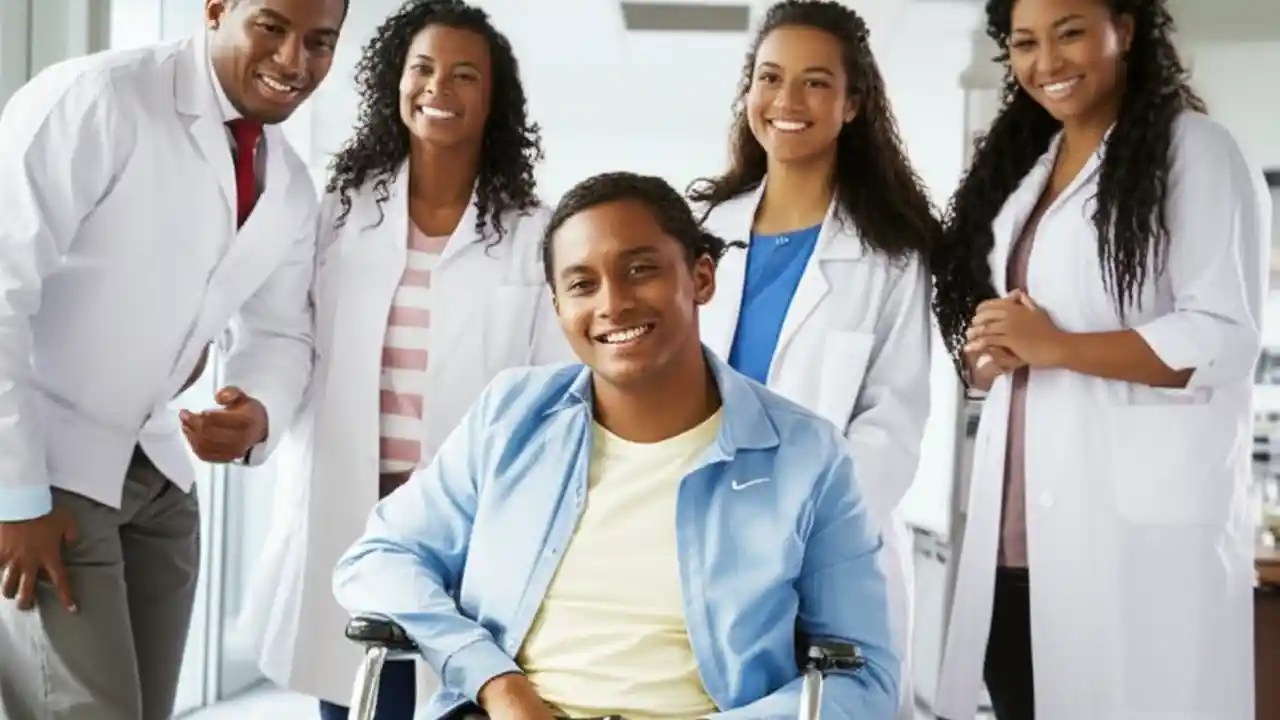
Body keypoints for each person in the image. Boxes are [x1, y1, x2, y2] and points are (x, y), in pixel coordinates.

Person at [332, 171, 900, 720]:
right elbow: (379, 557)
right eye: (581, 284)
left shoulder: (808, 457)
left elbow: (864, 677)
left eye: (640, 270)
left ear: (701, 278)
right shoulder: (509, 418)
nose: (613, 303)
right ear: (558, 308)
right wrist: (495, 682)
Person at [0, 1, 349, 718]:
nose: (295, 61)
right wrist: (13, 497)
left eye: (320, 42)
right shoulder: (99, 98)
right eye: (272, 28)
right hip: (48, 473)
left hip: (158, 475)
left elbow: (281, 332)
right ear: (217, 9)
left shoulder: (284, 180)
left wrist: (255, 412)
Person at [929, 0, 1271, 718]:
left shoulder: (1195, 150)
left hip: (1126, 540)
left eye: (1070, 33)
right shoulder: (1031, 172)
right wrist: (993, 354)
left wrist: (1058, 347)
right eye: (1024, 43)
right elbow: (1021, 335)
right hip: (1014, 540)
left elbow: (1222, 338)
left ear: (1127, 26)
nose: (1046, 62)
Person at [241, 2, 571, 718]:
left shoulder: (533, 233)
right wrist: (250, 408)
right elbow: (286, 337)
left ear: (493, 99)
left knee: (453, 695)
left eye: (463, 75)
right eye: (422, 68)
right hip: (350, 512)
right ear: (397, 81)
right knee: (353, 692)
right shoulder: (339, 212)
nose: (438, 88)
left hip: (465, 526)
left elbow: (551, 394)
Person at [689, 3, 936, 717]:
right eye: (770, 77)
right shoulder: (704, 229)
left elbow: (893, 418)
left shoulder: (890, 250)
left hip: (830, 553)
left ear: (853, 103)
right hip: (707, 537)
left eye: (815, 82)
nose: (787, 102)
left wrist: (801, 531)